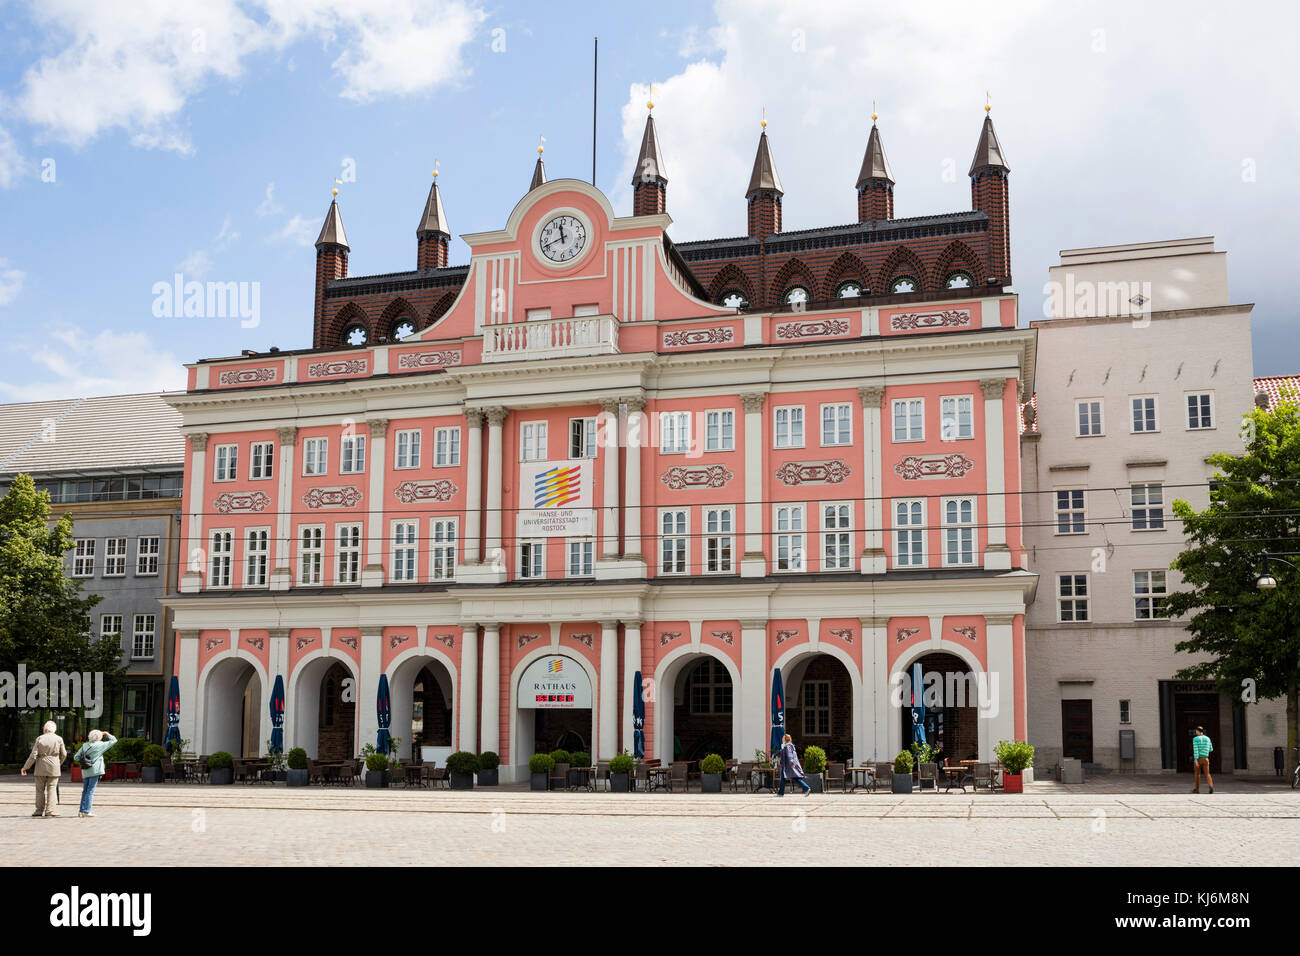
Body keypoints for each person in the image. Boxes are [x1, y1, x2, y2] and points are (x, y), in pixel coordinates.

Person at [20, 721, 68, 817]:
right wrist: (58, 763)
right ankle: (50, 810)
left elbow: (33, 755)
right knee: (52, 789)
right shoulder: (59, 739)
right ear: (54, 730)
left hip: (40, 767)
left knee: (39, 790)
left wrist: (26, 767)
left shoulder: (40, 738)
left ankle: (38, 811)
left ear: (45, 730)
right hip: (54, 766)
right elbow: (64, 754)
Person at [72, 729, 118, 817]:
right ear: (99, 737)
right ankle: (87, 811)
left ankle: (81, 811)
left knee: (85, 791)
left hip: (85, 771)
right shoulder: (101, 745)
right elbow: (114, 740)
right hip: (95, 771)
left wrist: (85, 759)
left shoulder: (85, 745)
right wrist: (107, 734)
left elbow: (76, 757)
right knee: (90, 791)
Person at [1192, 725, 1214, 794]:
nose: (1196, 732)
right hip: (1206, 758)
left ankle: (1197, 789)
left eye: (1196, 731)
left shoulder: (1195, 739)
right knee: (1207, 773)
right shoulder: (1208, 738)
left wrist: (1195, 760)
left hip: (1199, 758)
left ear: (1198, 731)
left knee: (1197, 774)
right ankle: (1211, 786)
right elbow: (1211, 749)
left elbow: (1196, 750)